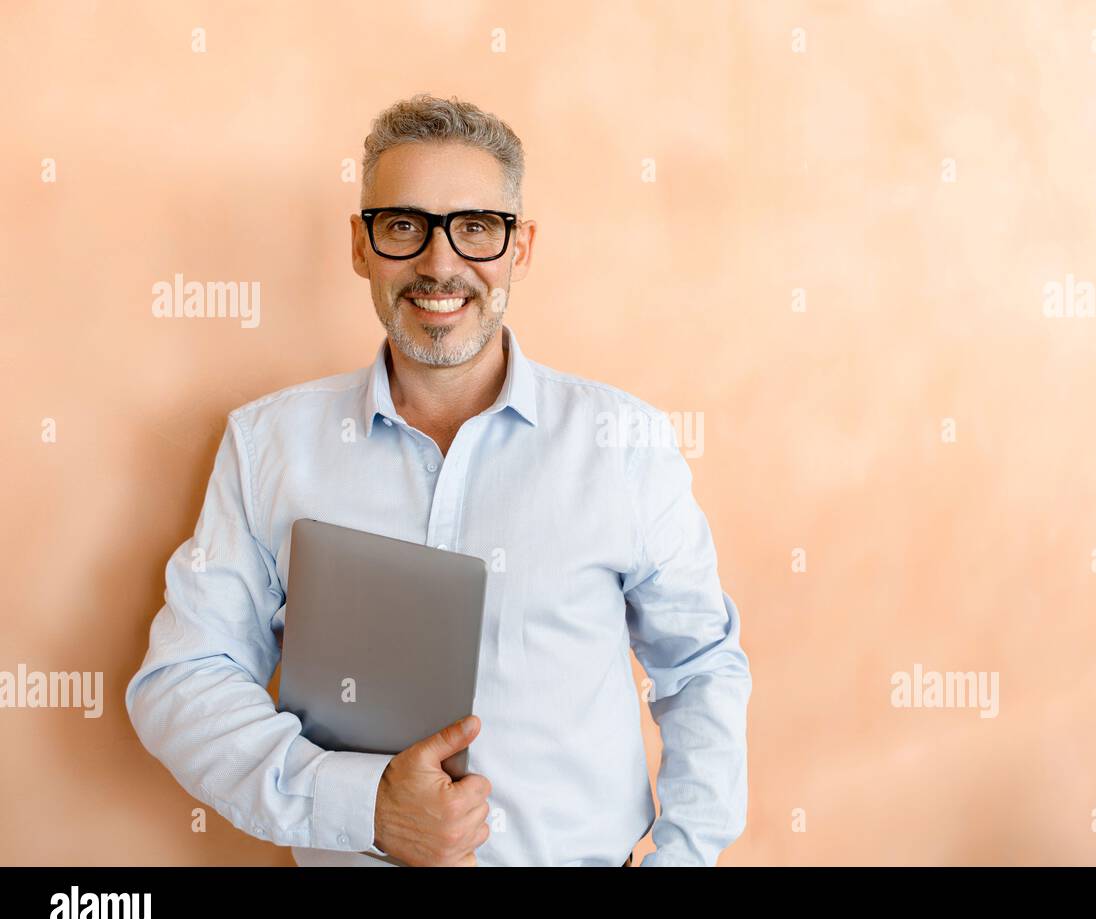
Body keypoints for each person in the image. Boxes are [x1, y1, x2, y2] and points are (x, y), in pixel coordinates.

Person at [124, 94, 751, 867]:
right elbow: (182, 681)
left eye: (476, 227)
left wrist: (683, 858)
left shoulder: (625, 444)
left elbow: (700, 666)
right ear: (360, 245)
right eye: (403, 226)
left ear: (520, 249)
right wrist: (364, 807)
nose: (440, 264)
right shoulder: (268, 446)